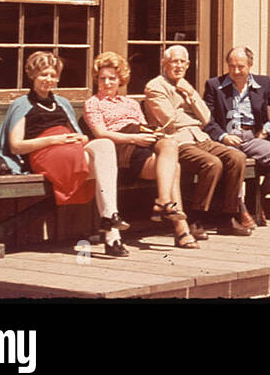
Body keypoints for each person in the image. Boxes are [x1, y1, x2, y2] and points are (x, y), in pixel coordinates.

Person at [0, 51, 129, 257]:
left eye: (52, 75)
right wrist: (54, 140)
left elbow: (76, 132)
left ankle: (110, 222)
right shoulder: (23, 104)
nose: (48, 79)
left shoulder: (62, 103)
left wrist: (81, 138)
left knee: (104, 145)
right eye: (43, 74)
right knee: (102, 166)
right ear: (32, 75)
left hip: (68, 149)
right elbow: (16, 146)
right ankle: (112, 233)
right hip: (43, 153)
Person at [83, 52, 198, 248]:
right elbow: (100, 133)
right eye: (102, 79)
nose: (107, 83)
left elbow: (144, 127)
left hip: (141, 143)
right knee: (175, 169)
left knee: (169, 144)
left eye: (112, 78)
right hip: (120, 148)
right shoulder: (93, 103)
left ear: (121, 80)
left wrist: (152, 135)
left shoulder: (131, 103)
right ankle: (180, 228)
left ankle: (163, 201)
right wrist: (134, 138)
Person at [144, 45, 255, 237]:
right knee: (211, 163)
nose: (178, 66)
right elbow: (169, 119)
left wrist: (192, 94)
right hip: (177, 140)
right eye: (174, 61)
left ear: (188, 64)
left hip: (200, 137)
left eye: (182, 62)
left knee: (237, 157)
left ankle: (227, 217)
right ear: (164, 63)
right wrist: (193, 117)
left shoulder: (186, 86)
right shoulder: (155, 86)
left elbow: (206, 117)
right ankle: (196, 218)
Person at [204, 46, 270, 219]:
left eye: (241, 66)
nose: (236, 71)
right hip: (227, 139)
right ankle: (241, 209)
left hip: (253, 137)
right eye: (231, 66)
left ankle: (259, 198)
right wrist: (223, 136)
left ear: (250, 64)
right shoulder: (215, 85)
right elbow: (206, 118)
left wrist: (266, 129)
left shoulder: (263, 83)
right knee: (236, 164)